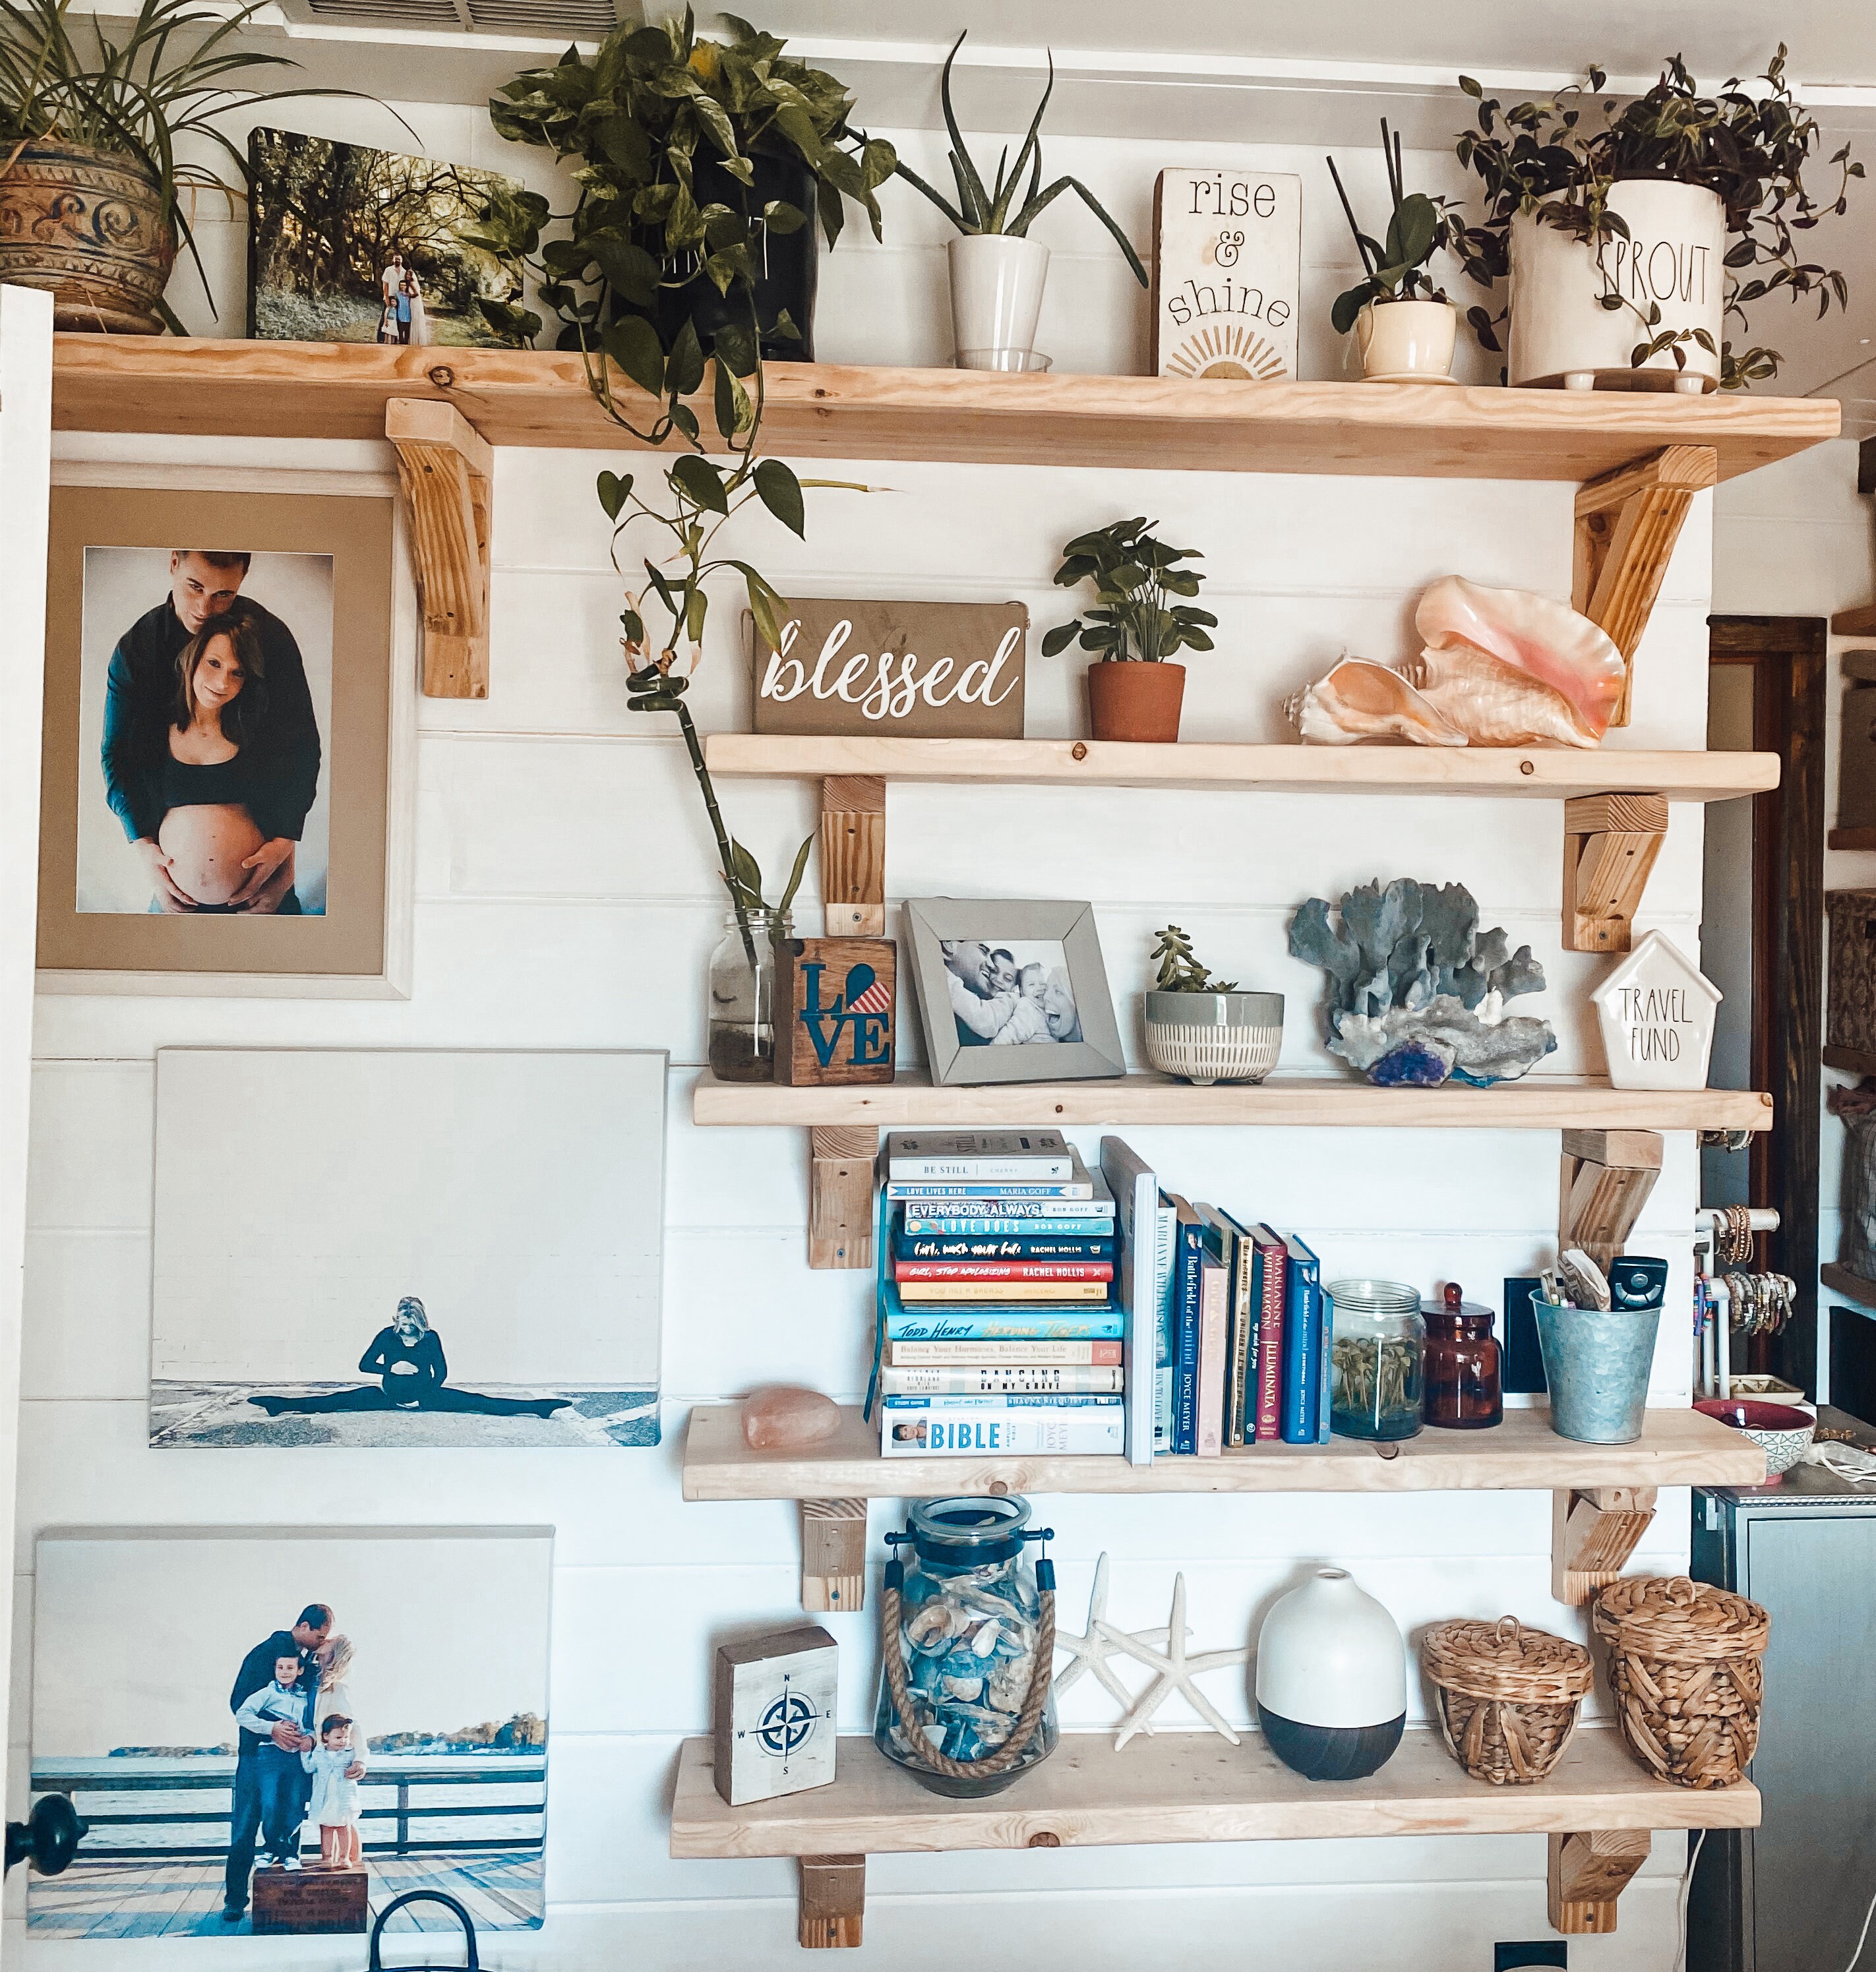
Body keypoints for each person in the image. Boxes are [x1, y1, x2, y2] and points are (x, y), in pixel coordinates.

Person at [101, 551, 321, 914]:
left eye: (224, 594)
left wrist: (286, 846)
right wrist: (142, 848)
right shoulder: (139, 648)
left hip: (266, 889)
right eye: (195, 587)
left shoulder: (270, 639)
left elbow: (300, 746)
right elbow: (118, 753)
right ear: (174, 563)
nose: (205, 608)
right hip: (173, 895)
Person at [249, 1297, 572, 1418]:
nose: (402, 1328)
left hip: (426, 1398)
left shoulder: (431, 1339)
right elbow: (364, 1364)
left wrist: (424, 1398)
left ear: (419, 1322)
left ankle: (537, 1408)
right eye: (399, 1322)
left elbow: (442, 1372)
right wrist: (391, 1366)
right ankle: (279, 1403)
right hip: (387, 1395)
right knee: (334, 1401)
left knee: (480, 1401)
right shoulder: (387, 1336)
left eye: (408, 1324)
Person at [224, 1604, 332, 1921]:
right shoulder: (264, 1653)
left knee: (289, 1824)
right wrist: (275, 1727)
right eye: (320, 1635)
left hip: (294, 1758)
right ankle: (234, 1899)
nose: (323, 1641)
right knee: (245, 1827)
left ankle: (285, 1901)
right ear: (304, 1626)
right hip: (255, 1756)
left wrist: (309, 1736)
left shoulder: (310, 1663)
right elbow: (237, 1702)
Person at [310, 1637, 366, 1865]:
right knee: (328, 1818)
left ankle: (351, 1868)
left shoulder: (337, 1689)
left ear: (335, 1654)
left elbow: (354, 1727)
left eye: (329, 1642)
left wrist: (361, 1759)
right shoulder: (315, 1681)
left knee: (344, 1821)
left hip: (335, 1763)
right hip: (321, 1760)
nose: (324, 1641)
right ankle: (333, 1862)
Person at [302, 1715, 363, 1869]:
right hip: (325, 1798)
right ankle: (327, 1858)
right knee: (327, 1829)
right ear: (326, 1737)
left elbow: (360, 1761)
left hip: (343, 1798)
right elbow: (309, 1768)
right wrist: (304, 1753)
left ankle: (344, 1858)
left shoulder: (350, 1753)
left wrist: (359, 1763)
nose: (343, 1741)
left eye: (346, 1737)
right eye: (338, 1737)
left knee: (344, 1828)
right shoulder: (319, 1753)